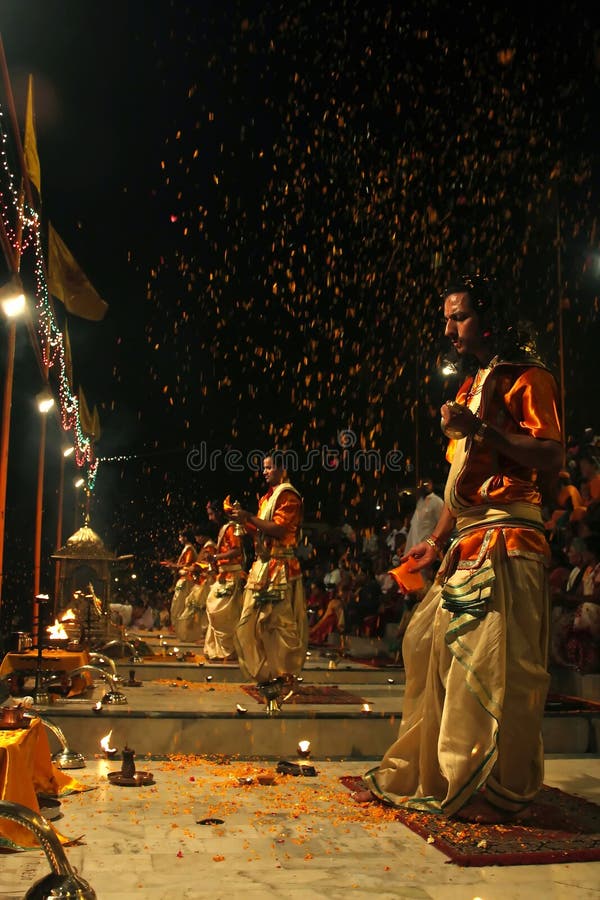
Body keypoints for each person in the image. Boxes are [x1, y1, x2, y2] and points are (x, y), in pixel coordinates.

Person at [361, 274, 563, 822]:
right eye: (447, 317)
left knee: (497, 666)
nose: (448, 327)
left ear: (489, 317)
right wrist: (433, 539)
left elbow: (550, 455)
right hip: (468, 543)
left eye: (460, 316)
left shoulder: (527, 376)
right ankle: (455, 773)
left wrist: (486, 431)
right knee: (431, 649)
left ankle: (494, 786)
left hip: (507, 539)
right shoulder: (471, 385)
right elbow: (461, 475)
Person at [232, 453, 307, 713]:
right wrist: (244, 522)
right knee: (251, 623)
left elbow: (279, 530)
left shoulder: (288, 496)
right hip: (263, 567)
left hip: (281, 570)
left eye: (269, 467)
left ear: (283, 468)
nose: (264, 472)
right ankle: (267, 675)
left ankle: (283, 677)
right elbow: (263, 528)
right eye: (263, 467)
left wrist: (249, 518)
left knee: (280, 626)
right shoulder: (267, 497)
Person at [203, 500, 247, 661]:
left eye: (211, 514)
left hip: (230, 576)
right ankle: (222, 650)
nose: (210, 518)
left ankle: (231, 650)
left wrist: (215, 557)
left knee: (224, 614)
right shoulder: (224, 529)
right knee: (217, 611)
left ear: (219, 513)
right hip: (223, 576)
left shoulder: (230, 528)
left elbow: (236, 551)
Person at [163, 526, 198, 634]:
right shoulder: (187, 548)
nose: (179, 539)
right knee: (178, 605)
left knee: (180, 605)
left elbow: (186, 566)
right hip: (183, 579)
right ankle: (179, 630)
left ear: (185, 538)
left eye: (180, 536)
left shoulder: (189, 548)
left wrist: (172, 565)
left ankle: (182, 631)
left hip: (186, 580)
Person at [404, 478, 445, 553]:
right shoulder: (420, 502)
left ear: (432, 485)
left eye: (427, 484)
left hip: (428, 548)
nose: (425, 486)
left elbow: (442, 525)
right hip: (415, 547)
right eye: (423, 484)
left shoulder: (437, 502)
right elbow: (415, 527)